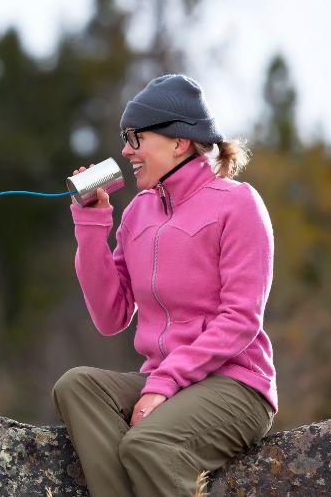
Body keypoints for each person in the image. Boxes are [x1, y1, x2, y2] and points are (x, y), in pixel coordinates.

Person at [52, 74, 276, 496]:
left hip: (236, 386)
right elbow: (111, 316)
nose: (125, 151)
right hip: (166, 380)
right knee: (77, 386)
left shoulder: (238, 204)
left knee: (147, 445)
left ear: (180, 142)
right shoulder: (138, 212)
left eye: (136, 138)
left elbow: (241, 319)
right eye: (125, 138)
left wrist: (164, 383)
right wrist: (91, 224)